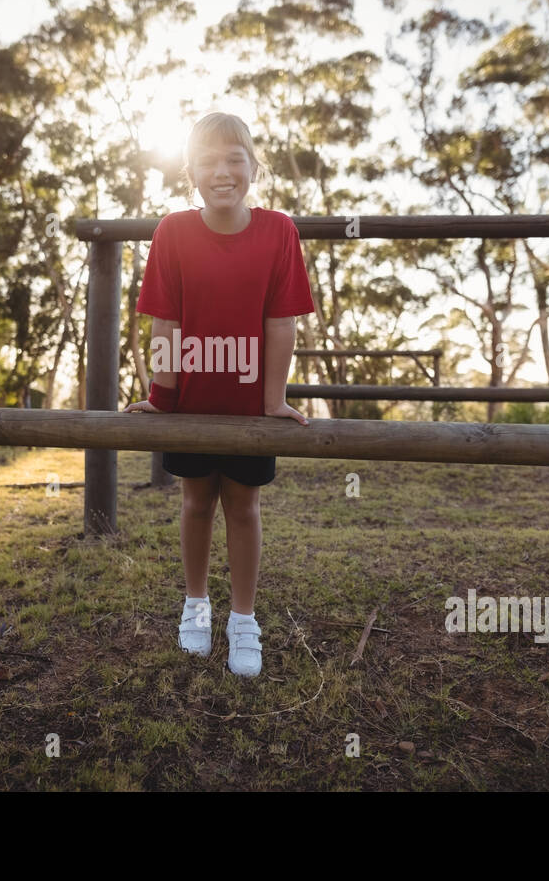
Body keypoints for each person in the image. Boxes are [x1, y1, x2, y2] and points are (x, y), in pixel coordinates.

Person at [125, 111, 315, 678]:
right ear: (190, 172)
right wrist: (162, 399)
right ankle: (195, 606)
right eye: (209, 161)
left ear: (255, 166)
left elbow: (282, 322)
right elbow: (166, 321)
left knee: (245, 506)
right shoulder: (173, 231)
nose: (223, 171)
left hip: (248, 408)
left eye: (235, 158)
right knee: (195, 502)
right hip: (192, 404)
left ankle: (243, 618)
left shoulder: (279, 230)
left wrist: (272, 401)